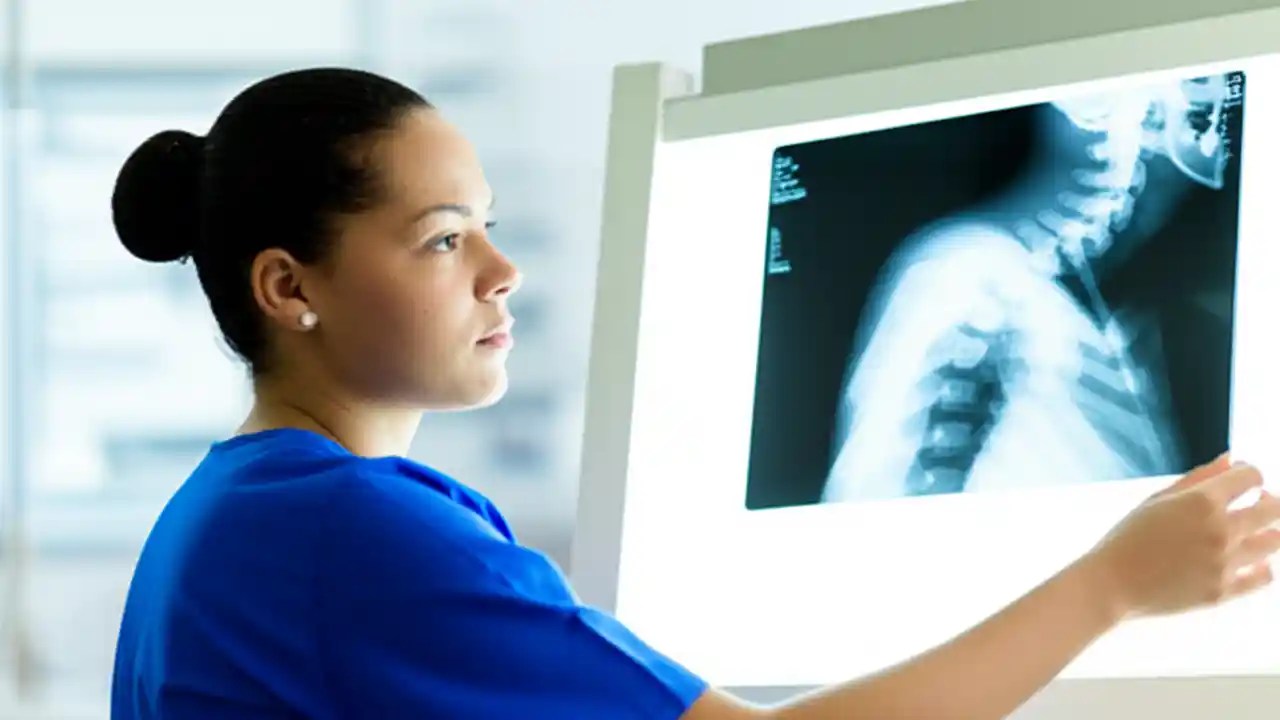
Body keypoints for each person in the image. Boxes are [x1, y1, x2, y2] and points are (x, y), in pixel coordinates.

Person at [108, 67, 1280, 720]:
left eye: (492, 229)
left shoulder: (228, 517)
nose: (502, 272)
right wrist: (1113, 582)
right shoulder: (351, 532)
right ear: (287, 285)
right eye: (441, 239)